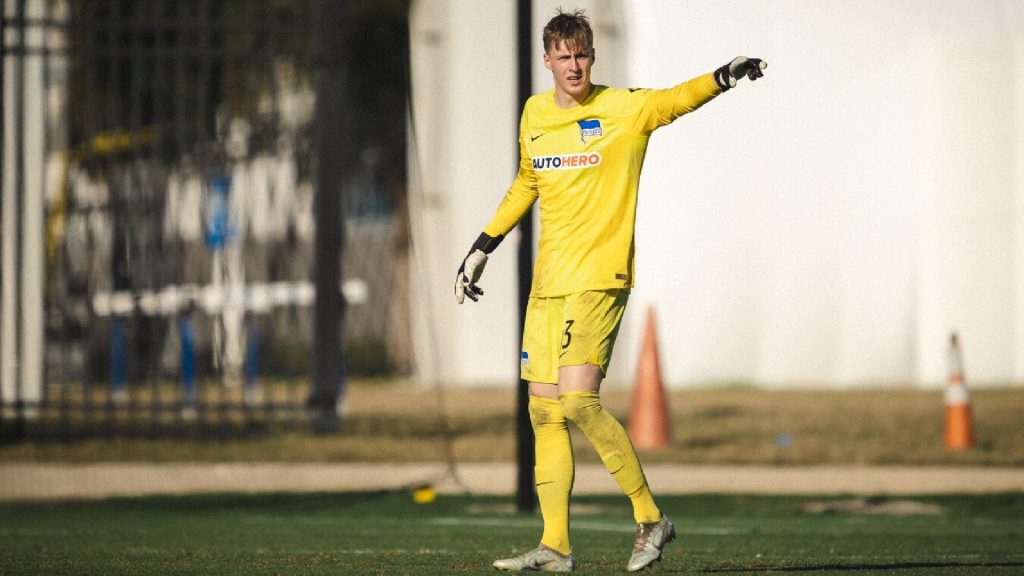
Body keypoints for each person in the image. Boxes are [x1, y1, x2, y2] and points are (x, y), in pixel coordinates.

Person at [454, 8, 766, 573]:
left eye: (582, 54)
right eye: (563, 56)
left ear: (592, 56)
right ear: (547, 60)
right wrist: (482, 247)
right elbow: (527, 182)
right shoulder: (534, 113)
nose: (573, 66)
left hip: (599, 279)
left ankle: (651, 518)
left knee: (578, 401)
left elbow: (675, 99)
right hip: (548, 284)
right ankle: (555, 547)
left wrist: (725, 74)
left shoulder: (622, 109)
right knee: (545, 411)